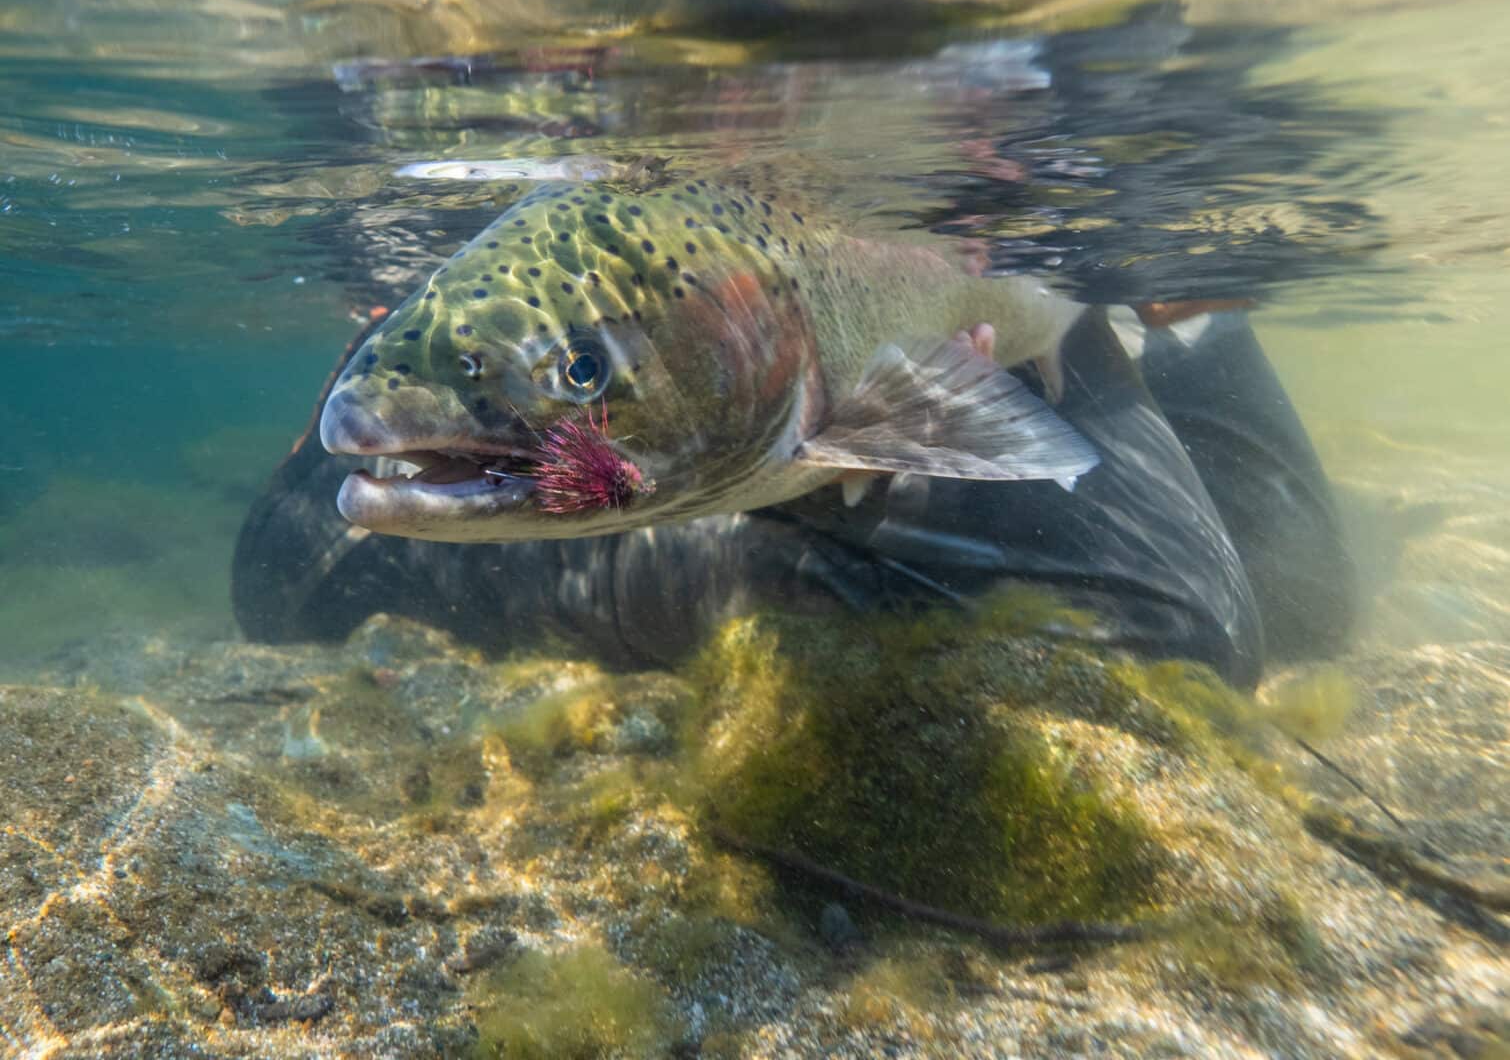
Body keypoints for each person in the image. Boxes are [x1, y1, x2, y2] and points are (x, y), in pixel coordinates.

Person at [233, 300, 1355, 690]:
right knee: (288, 584)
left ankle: (1158, 329)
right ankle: (753, 469)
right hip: (703, 379)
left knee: (1243, 620)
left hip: (1012, 303)